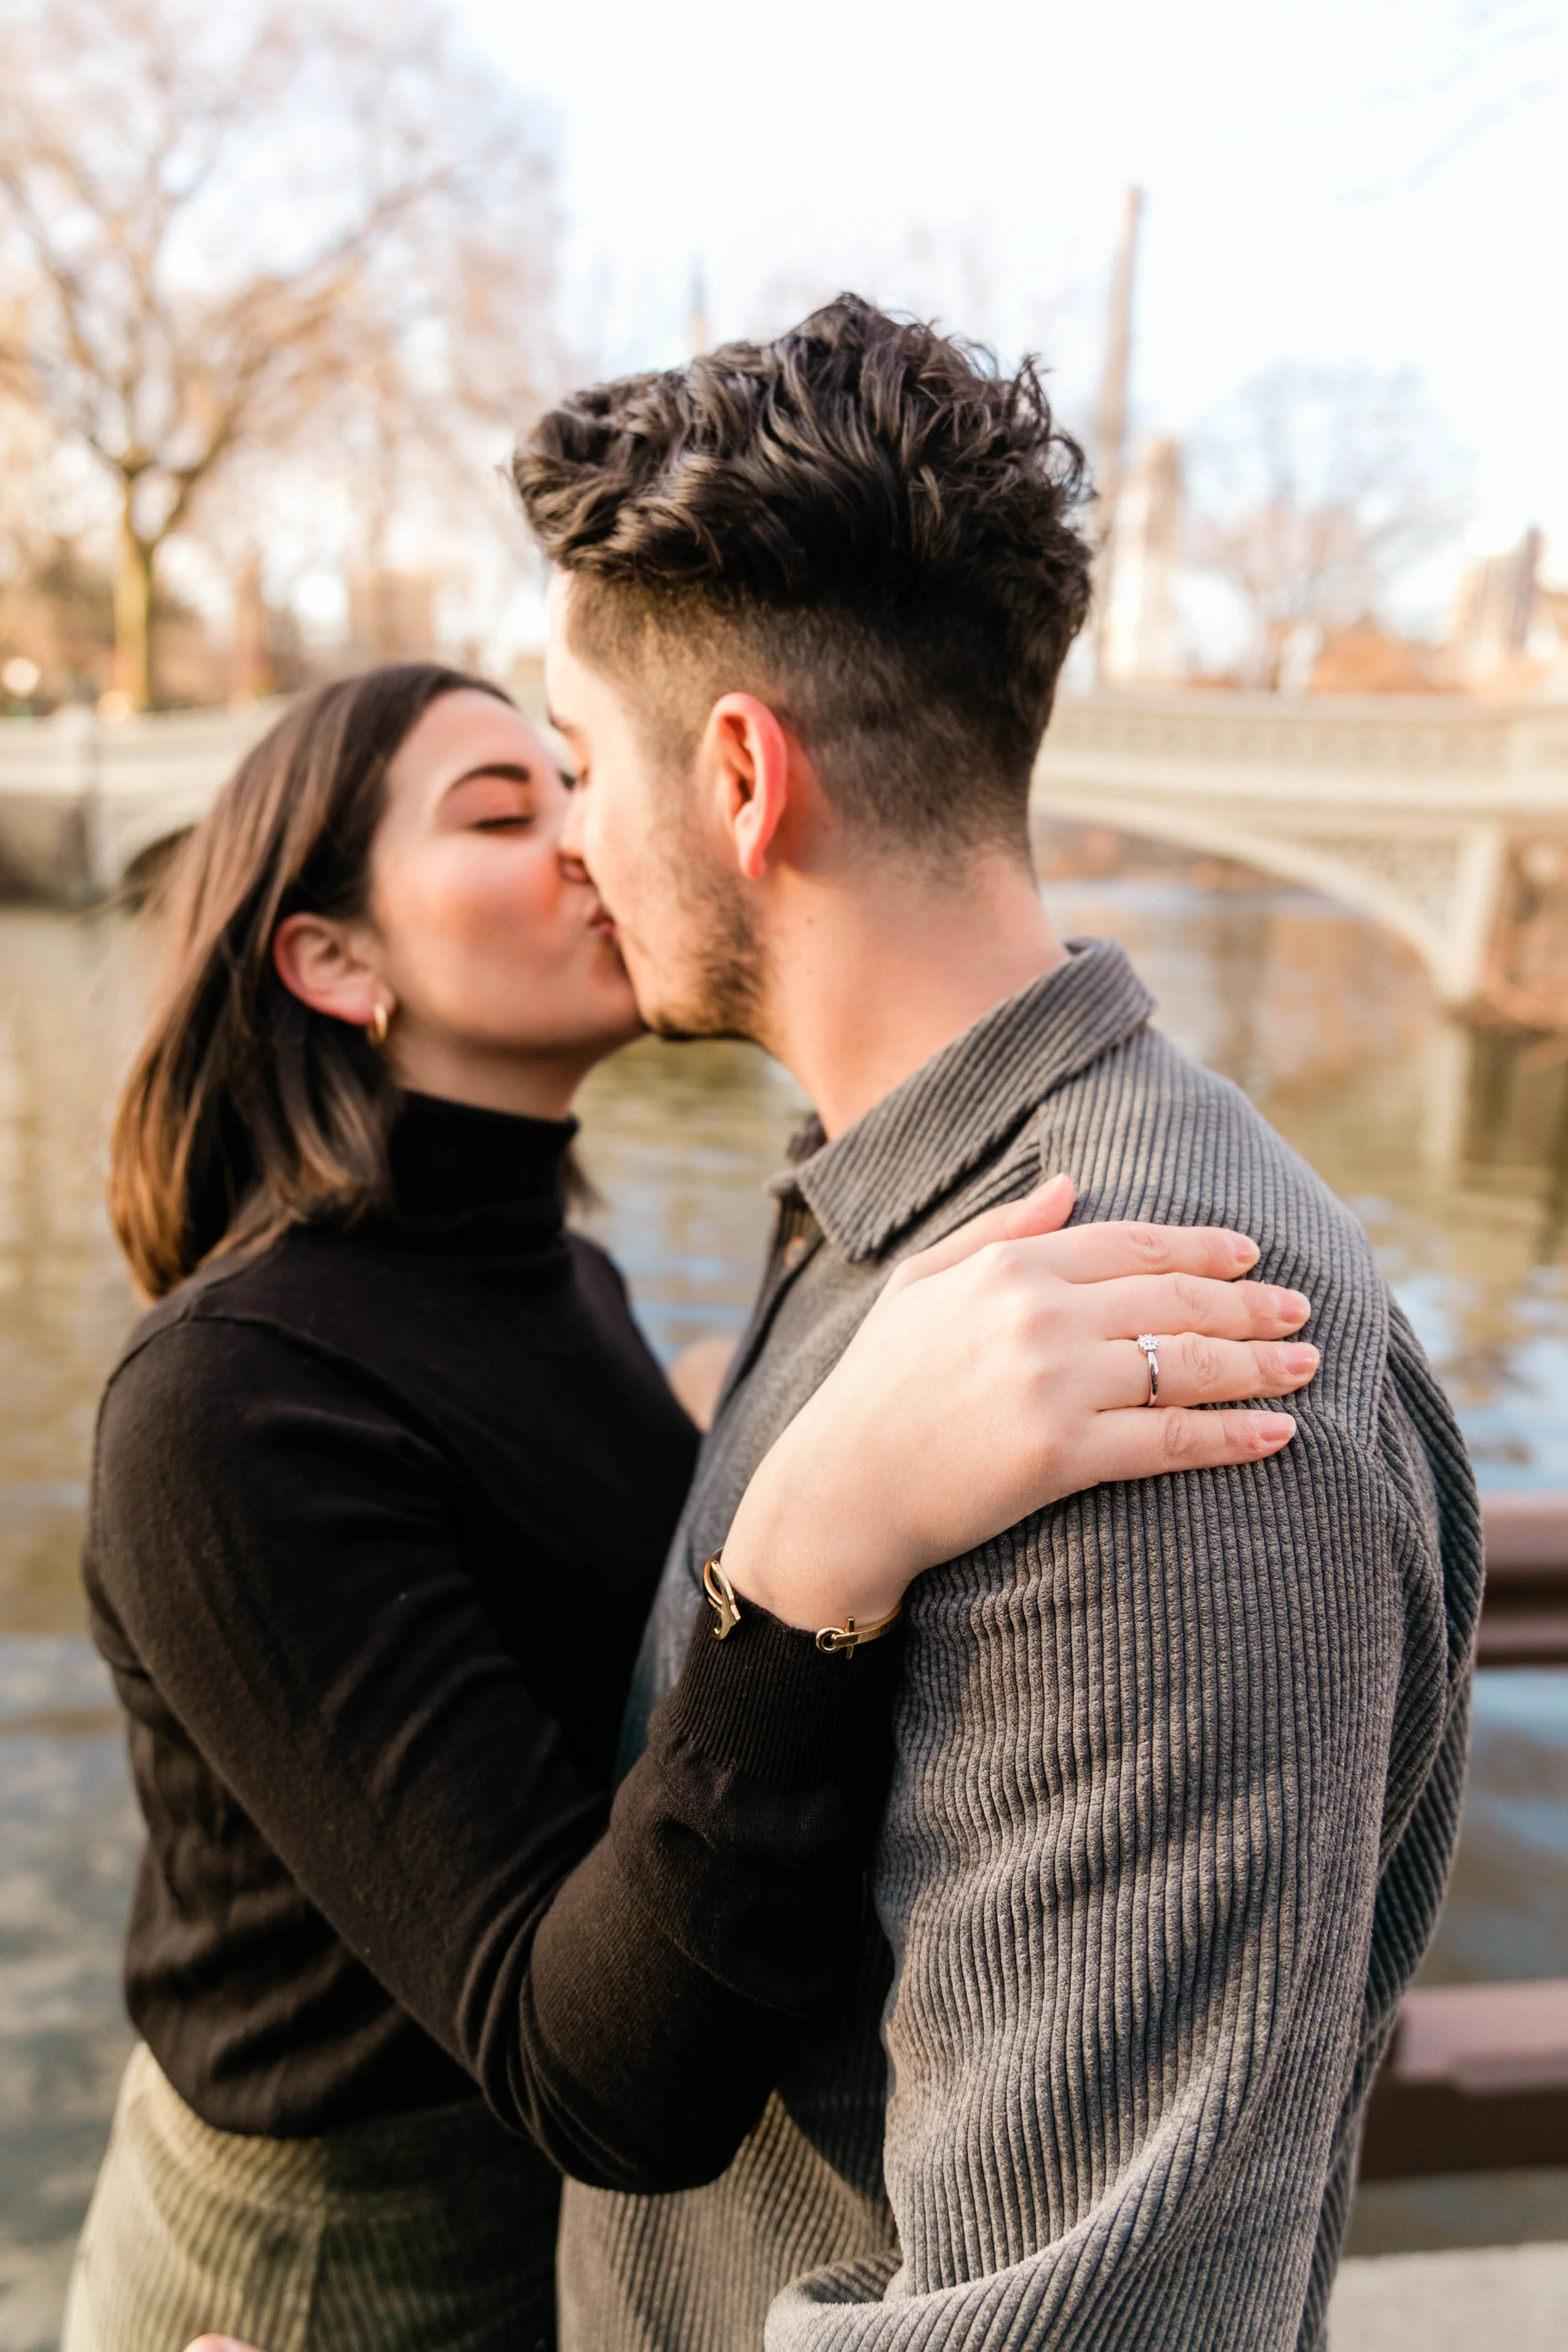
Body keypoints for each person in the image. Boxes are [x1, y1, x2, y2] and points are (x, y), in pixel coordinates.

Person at [63, 663, 1313, 2352]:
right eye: (503, 812)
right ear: (332, 960)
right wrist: (806, 1534)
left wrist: (729, 1423)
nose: (587, 836)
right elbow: (581, 2069)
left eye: (568, 780)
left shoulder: (555, 1277)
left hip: (591, 2240)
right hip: (340, 2265)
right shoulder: (226, 1401)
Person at [504, 297, 1484, 2352]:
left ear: (741, 778)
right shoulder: (913, 1197)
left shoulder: (1170, 1371)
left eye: (581, 768)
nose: (574, 843)